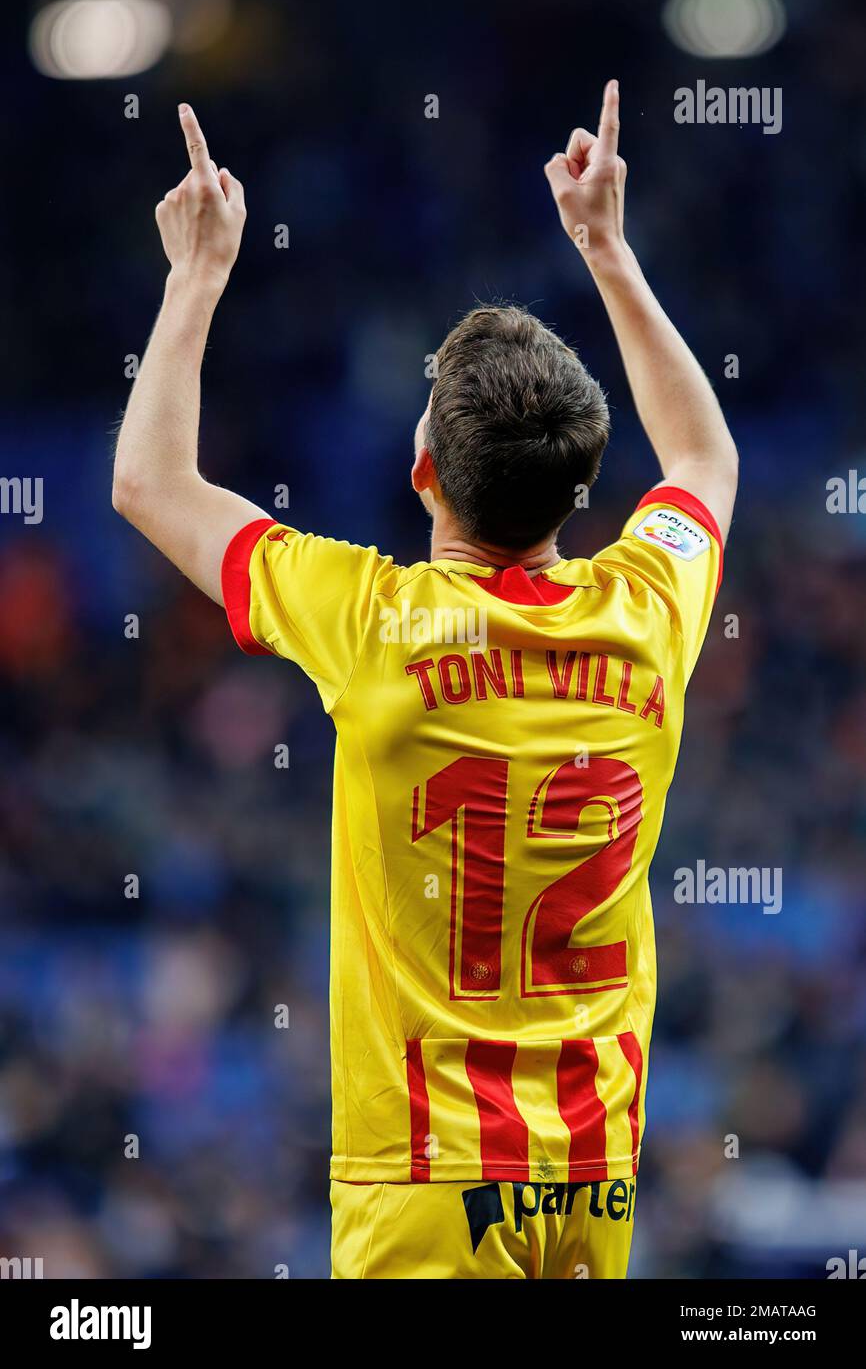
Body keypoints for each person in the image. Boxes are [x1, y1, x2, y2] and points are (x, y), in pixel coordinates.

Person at [113, 81, 738, 1279]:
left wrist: (193, 274)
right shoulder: (651, 609)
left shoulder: (374, 622)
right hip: (592, 1173)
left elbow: (147, 482)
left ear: (420, 474)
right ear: (582, 492)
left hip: (422, 1184)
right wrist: (607, 251)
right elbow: (703, 452)